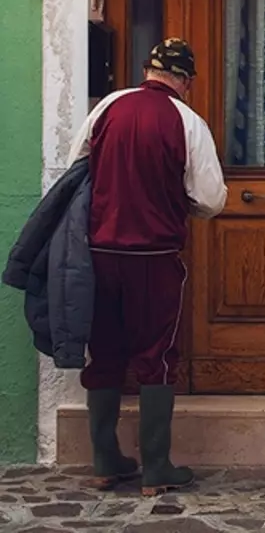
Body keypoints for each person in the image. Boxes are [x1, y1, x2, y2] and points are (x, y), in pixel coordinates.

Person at [70, 38, 227, 494]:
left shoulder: (110, 107)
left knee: (104, 352)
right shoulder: (187, 121)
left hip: (99, 256)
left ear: (148, 70)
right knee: (156, 356)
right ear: (186, 81)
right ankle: (156, 466)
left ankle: (105, 460)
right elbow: (211, 199)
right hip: (155, 258)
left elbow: (76, 165)